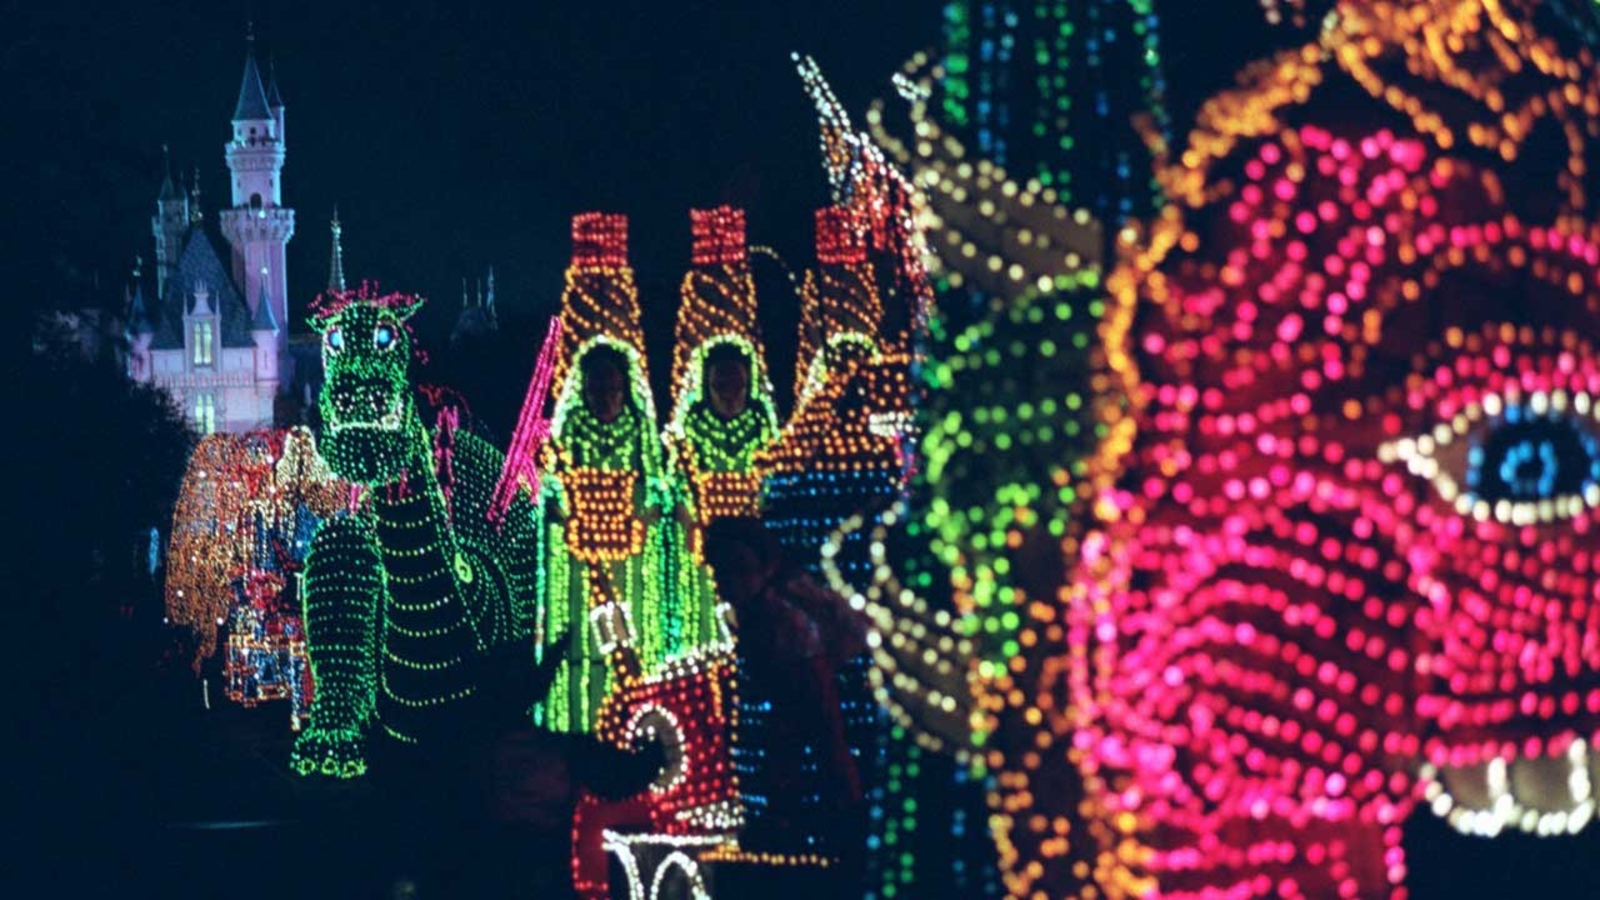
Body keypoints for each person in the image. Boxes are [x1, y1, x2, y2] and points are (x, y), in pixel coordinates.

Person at [702, 517, 867, 881]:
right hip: (785, 672)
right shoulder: (754, 607)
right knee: (786, 748)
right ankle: (786, 820)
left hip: (805, 666)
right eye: (722, 573)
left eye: (739, 571)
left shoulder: (785, 597)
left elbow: (833, 623)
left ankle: (845, 821)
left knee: (826, 744)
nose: (729, 582)